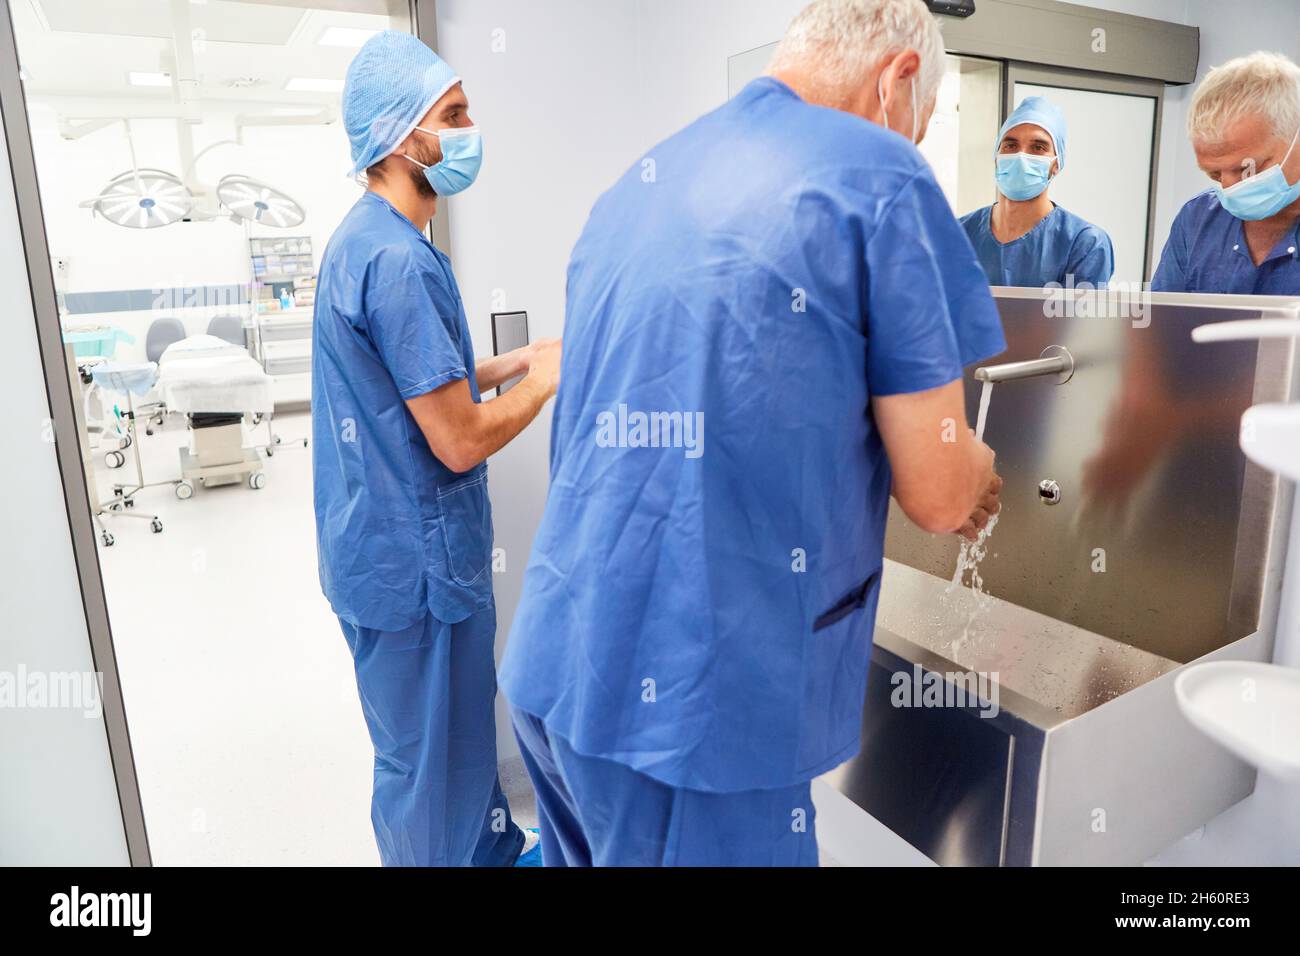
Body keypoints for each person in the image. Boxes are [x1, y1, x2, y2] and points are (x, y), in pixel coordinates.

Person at [499, 0, 1005, 867]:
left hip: (557, 667)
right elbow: (941, 490)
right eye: (920, 128)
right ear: (900, 78)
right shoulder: (880, 174)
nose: (912, 144)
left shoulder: (646, 176)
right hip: (694, 726)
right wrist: (980, 467)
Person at [312, 31, 560, 867]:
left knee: (433, 754)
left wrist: (512, 361)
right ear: (400, 137)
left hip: (379, 559)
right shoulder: (401, 263)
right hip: (416, 574)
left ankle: (487, 854)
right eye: (452, 116)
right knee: (433, 770)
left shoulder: (365, 241)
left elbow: (415, 385)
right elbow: (457, 439)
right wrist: (546, 383)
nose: (468, 130)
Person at [1153, 51, 1300, 294]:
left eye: (1246, 169)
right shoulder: (1198, 220)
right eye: (1214, 174)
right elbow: (1163, 325)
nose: (1230, 188)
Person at [959, 96, 1114, 288]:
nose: (1021, 156)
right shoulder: (958, 233)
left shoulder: (1084, 243)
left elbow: (1079, 317)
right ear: (996, 156)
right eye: (1011, 145)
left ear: (1056, 164)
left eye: (1038, 148)